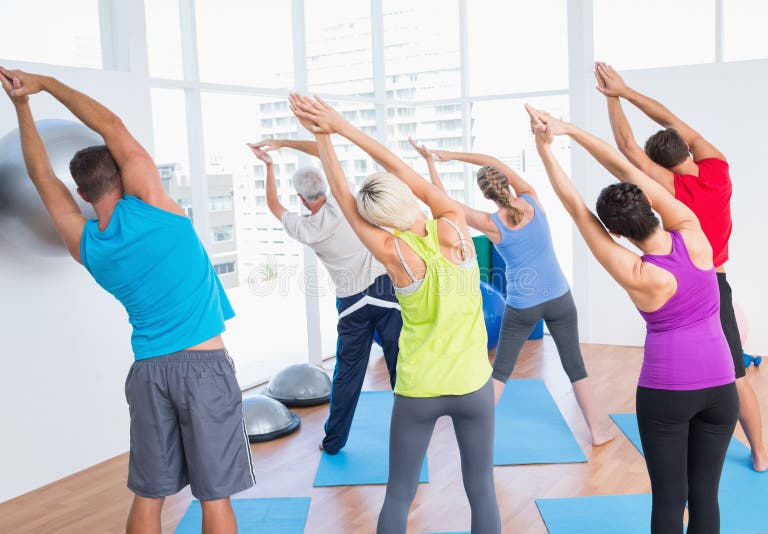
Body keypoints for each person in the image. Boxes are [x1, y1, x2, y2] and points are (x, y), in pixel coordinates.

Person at [0, 67, 254, 533]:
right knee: (214, 499)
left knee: (149, 496)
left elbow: (40, 178)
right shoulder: (156, 204)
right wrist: (46, 85)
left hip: (148, 375)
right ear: (123, 173)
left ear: (79, 192)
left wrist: (22, 109)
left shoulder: (86, 245)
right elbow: (111, 127)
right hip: (204, 369)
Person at [289, 94, 500, 534]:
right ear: (406, 196)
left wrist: (322, 138)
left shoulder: (392, 252)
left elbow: (345, 201)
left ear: (379, 220)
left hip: (419, 389)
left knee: (399, 494)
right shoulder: (452, 222)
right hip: (473, 385)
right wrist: (340, 125)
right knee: (481, 489)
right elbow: (405, 172)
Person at [526, 106, 738, 533]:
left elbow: (575, 208)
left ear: (619, 234)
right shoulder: (693, 230)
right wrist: (568, 128)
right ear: (651, 204)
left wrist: (545, 148)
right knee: (705, 497)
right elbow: (624, 165)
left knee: (668, 499)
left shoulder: (637, 272)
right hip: (721, 390)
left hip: (667, 394)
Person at [594, 62, 768, 471]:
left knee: (734, 376)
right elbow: (670, 120)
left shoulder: (674, 190)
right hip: (713, 280)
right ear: (686, 150)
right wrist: (626, 91)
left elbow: (627, 149)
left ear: (662, 166)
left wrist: (611, 99)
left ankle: (760, 451)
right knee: (722, 374)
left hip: (696, 286)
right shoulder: (718, 167)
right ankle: (755, 452)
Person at [409, 137, 613, 445]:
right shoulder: (531, 198)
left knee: (501, 371)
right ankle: (597, 431)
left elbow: (442, 206)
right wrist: (448, 155)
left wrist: (429, 162)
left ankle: (473, 433)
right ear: (506, 182)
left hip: (522, 305)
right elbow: (492, 158)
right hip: (560, 297)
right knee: (575, 366)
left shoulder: (491, 223)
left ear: (486, 194)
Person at [245, 139, 401, 455]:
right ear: (324, 188)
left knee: (347, 375)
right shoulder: (346, 203)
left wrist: (269, 166)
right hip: (385, 294)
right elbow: (322, 151)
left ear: (302, 199)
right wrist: (282, 144)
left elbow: (273, 205)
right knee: (403, 368)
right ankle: (412, 435)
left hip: (353, 303)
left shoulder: (305, 229)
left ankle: (333, 442)